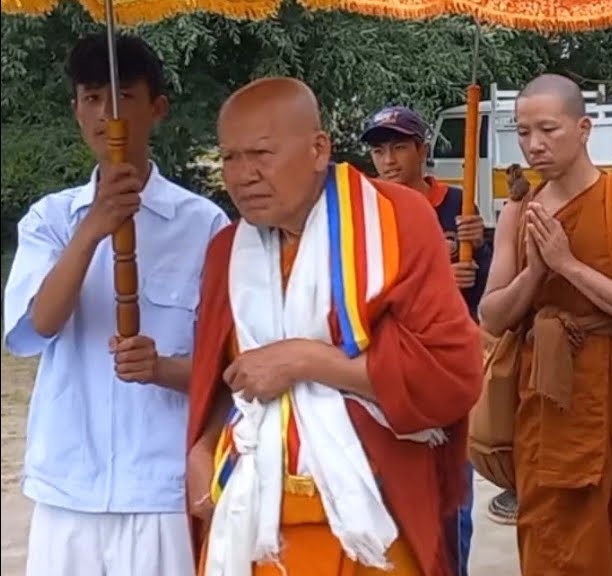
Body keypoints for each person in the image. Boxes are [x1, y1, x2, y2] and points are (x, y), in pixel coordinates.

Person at [186, 78, 483, 576]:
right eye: (230, 157)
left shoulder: (395, 220)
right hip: (249, 515)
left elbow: (449, 375)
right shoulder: (226, 251)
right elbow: (227, 379)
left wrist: (307, 361)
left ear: (319, 149)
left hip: (373, 518)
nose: (242, 175)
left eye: (261, 153)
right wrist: (201, 446)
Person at [2, 33, 228, 576]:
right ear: (76, 111)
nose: (108, 114)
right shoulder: (51, 219)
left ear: (158, 109)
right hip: (68, 485)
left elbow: (228, 368)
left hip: (161, 489)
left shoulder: (206, 227)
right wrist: (92, 229)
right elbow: (33, 330)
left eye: (124, 96)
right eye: (92, 98)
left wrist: (163, 369)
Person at [478, 74, 612, 576]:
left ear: (583, 129)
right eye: (524, 132)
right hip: (546, 398)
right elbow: (491, 314)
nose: (534, 145)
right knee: (552, 540)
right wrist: (536, 273)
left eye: (548, 129)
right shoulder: (520, 210)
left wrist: (568, 265)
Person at [360, 105, 492, 566]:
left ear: (422, 150)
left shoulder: (457, 207)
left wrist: (479, 249)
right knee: (386, 497)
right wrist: (434, 276)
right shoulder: (367, 211)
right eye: (379, 151)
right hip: (383, 367)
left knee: (452, 499)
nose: (388, 160)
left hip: (445, 366)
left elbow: (484, 291)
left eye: (398, 147)